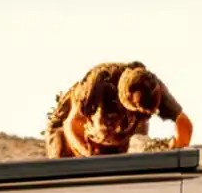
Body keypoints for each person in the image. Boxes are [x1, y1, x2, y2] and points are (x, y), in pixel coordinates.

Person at [45, 61, 192, 158]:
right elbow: (71, 124)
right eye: (136, 111)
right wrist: (87, 155)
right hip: (68, 132)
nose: (139, 116)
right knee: (63, 165)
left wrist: (176, 147)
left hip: (111, 139)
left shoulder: (152, 88)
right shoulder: (98, 82)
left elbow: (184, 123)